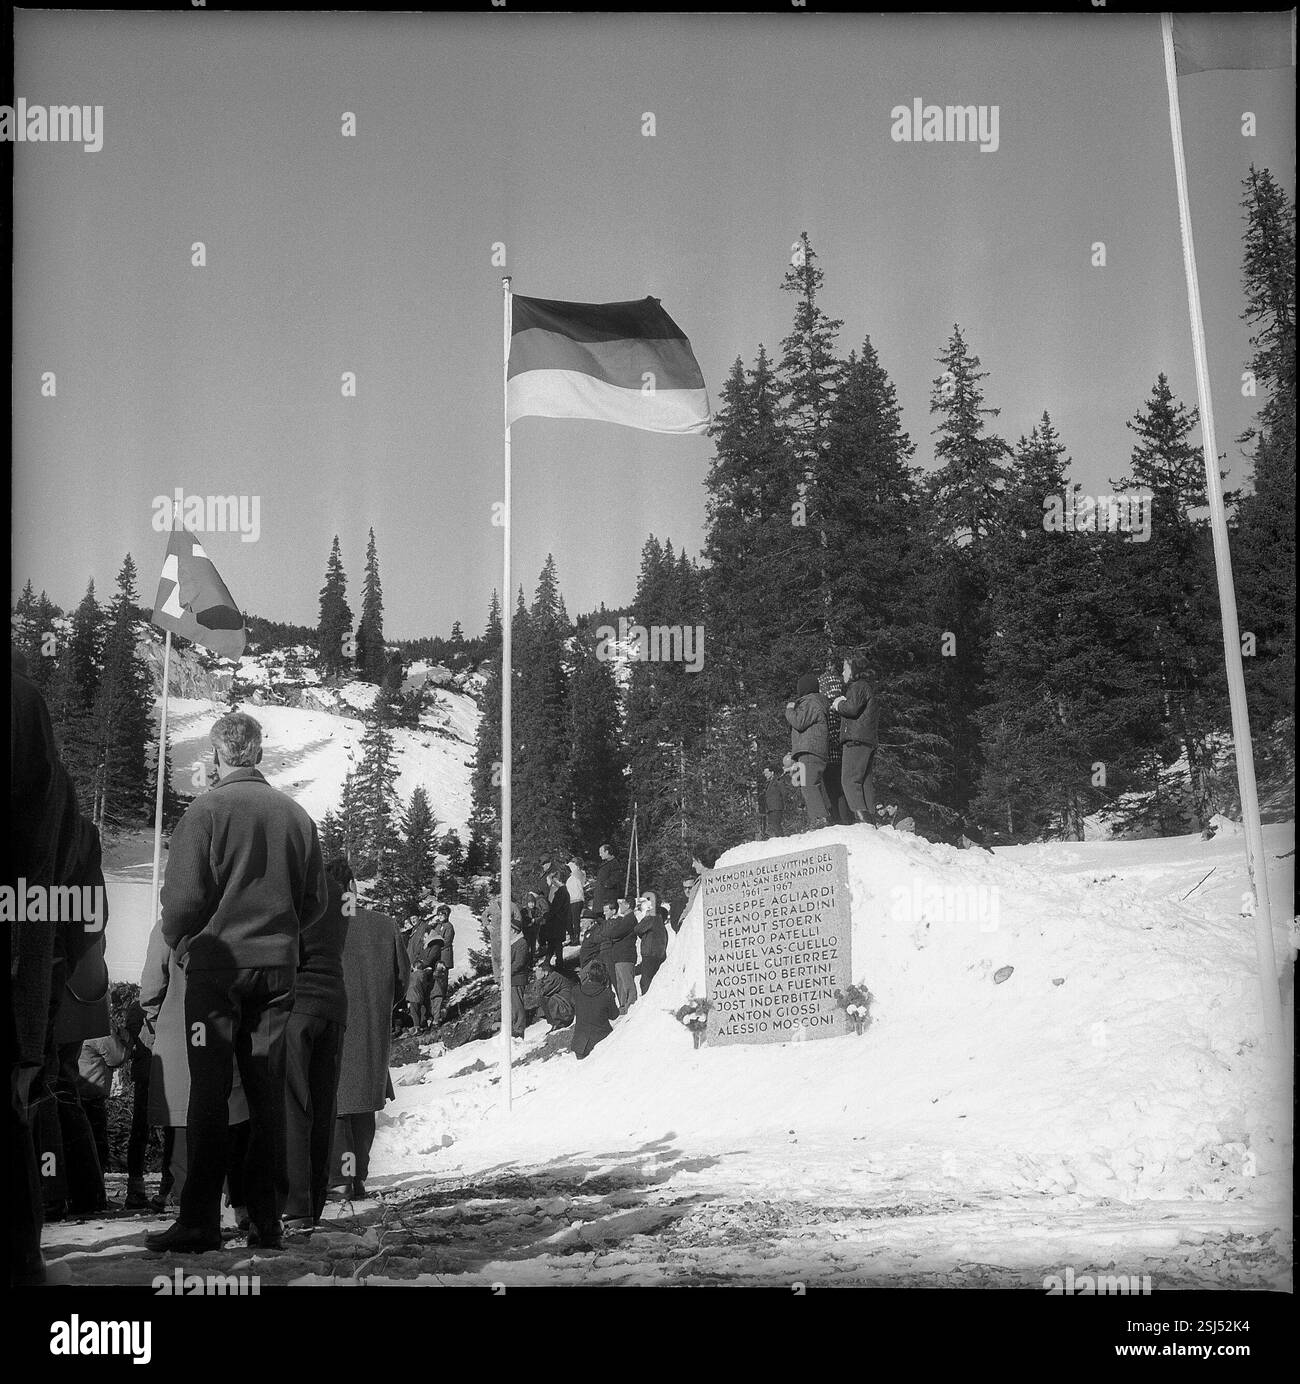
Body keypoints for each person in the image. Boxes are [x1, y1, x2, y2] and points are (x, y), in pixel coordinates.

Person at [146, 710, 327, 1255]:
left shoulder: (205, 811)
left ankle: (199, 1220)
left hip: (217, 967)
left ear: (217, 755)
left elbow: (181, 902)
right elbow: (315, 904)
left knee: (210, 1089)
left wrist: (182, 940)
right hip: (276, 969)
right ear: (259, 752)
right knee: (267, 1090)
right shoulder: (296, 817)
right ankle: (265, 1220)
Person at [138, 917, 250, 1222]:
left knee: (183, 1120)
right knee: (228, 1115)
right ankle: (238, 1203)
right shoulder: (232, 922)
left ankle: (186, 1205)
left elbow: (151, 987)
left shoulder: (166, 927)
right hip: (222, 1030)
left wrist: (152, 1026)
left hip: (177, 1029)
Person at [282, 856, 352, 1234]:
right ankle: (314, 1204)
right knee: (324, 1106)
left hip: (299, 1002)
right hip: (334, 1004)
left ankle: (294, 1205)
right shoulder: (343, 899)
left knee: (294, 1104)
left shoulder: (303, 892)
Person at [331, 876, 408, 1202]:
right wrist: (379, 1006)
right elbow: (403, 979)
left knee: (335, 1106)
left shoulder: (315, 927)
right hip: (371, 1028)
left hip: (331, 1024)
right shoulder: (384, 925)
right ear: (353, 885)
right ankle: (356, 1176)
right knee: (362, 1106)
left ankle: (340, 1179)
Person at [832, 657, 880, 824]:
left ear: (854, 670)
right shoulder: (865, 687)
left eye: (845, 669)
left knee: (849, 780)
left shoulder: (857, 686)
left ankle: (863, 822)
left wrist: (839, 704)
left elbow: (852, 709)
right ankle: (870, 819)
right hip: (866, 740)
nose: (843, 673)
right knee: (864, 781)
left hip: (856, 739)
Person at [785, 673, 833, 830]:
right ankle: (825, 817)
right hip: (811, 749)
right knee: (814, 784)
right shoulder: (813, 702)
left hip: (810, 749)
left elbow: (799, 722)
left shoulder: (811, 701)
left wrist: (789, 710)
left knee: (808, 785)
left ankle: (819, 819)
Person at [819, 664, 852, 825]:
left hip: (832, 755)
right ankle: (843, 820)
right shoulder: (842, 703)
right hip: (844, 754)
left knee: (834, 791)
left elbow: (832, 732)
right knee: (841, 790)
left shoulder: (829, 707)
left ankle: (840, 821)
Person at [571, 961, 619, 1061]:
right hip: (601, 1043)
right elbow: (614, 1015)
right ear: (605, 977)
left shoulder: (577, 991)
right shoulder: (607, 994)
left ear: (588, 975)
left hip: (580, 1045)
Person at [603, 898, 639, 1012]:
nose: (620, 907)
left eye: (621, 904)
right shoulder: (625, 919)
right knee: (621, 984)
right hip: (619, 956)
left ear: (628, 905)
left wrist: (611, 933)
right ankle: (623, 1006)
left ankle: (631, 1005)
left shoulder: (629, 919)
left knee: (627, 982)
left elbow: (616, 933)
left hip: (625, 955)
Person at [405, 914, 439, 1031]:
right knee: (416, 993)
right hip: (414, 965)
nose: (413, 920)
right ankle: (418, 1022)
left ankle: (422, 1022)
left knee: (420, 995)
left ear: (419, 917)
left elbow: (425, 946)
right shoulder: (414, 930)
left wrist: (421, 964)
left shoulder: (424, 927)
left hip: (419, 967)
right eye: (411, 919)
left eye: (415, 918)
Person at [633, 891, 669, 996]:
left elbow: (638, 929)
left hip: (650, 953)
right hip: (660, 953)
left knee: (645, 982)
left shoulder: (652, 916)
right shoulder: (660, 919)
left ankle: (646, 1002)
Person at [535, 961, 577, 1031]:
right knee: (544, 999)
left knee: (549, 999)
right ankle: (555, 1023)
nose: (537, 973)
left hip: (567, 1008)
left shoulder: (554, 978)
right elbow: (536, 992)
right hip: (566, 1005)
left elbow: (541, 992)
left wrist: (539, 979)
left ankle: (559, 1023)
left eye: (539, 971)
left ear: (546, 972)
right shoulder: (552, 977)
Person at [509, 917, 531, 1040]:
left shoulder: (521, 942)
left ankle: (519, 1029)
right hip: (512, 978)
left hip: (517, 978)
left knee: (517, 1004)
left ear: (514, 930)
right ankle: (514, 1026)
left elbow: (519, 962)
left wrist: (508, 971)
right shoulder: (513, 942)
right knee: (513, 1004)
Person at [564, 858, 587, 945]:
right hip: (570, 900)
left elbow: (572, 867)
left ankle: (576, 939)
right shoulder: (572, 876)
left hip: (577, 900)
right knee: (568, 920)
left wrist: (571, 863)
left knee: (575, 920)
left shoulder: (580, 874)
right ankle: (572, 937)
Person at [592, 844, 620, 915]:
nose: (599, 854)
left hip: (606, 899)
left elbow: (615, 878)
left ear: (607, 852)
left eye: (601, 852)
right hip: (600, 898)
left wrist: (604, 884)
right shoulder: (605, 863)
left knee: (604, 920)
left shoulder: (614, 863)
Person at [761, 767, 785, 839]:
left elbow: (784, 792)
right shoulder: (767, 783)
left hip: (776, 806)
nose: (765, 775)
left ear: (772, 772)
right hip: (770, 808)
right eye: (764, 773)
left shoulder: (777, 780)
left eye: (767, 773)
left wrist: (781, 802)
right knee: (773, 826)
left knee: (776, 824)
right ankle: (778, 840)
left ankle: (782, 840)